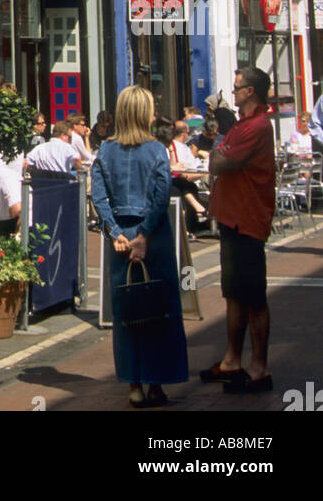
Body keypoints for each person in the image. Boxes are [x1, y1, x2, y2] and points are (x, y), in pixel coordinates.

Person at [90, 85, 188, 408]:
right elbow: (161, 197)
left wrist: (115, 232)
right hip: (154, 235)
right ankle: (157, 383)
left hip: (121, 237)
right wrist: (143, 233)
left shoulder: (105, 150)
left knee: (128, 313)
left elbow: (99, 195)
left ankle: (134, 385)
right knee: (158, 309)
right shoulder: (157, 150)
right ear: (144, 114)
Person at [201, 66, 276, 393]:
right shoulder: (246, 125)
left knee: (253, 297)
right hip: (234, 218)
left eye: (237, 87)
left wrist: (221, 141)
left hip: (246, 220)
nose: (233, 92)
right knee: (234, 294)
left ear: (250, 92)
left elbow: (218, 163)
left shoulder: (256, 126)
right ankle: (233, 360)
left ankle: (258, 368)